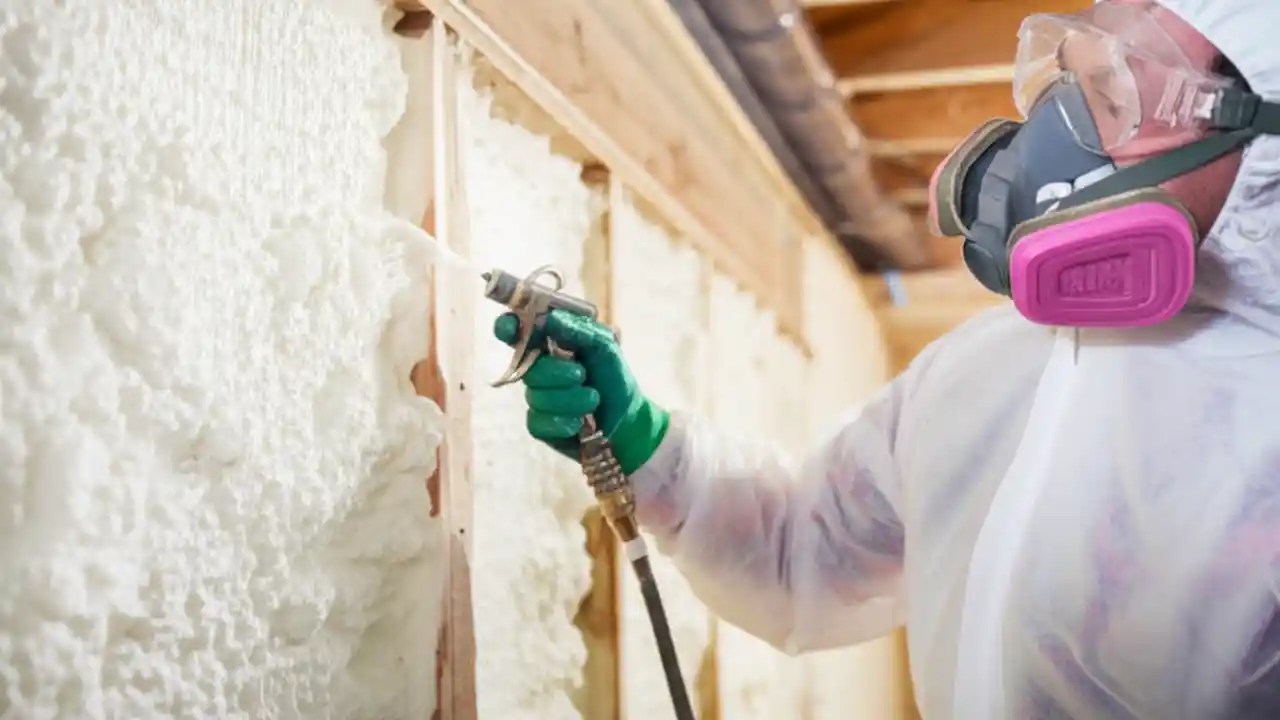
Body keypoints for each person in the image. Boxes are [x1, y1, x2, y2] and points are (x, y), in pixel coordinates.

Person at [494, 1, 1280, 717]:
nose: (1059, 121)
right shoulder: (987, 369)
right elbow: (801, 551)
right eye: (1082, 70)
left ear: (1263, 159)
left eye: (1119, 93)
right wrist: (643, 440)